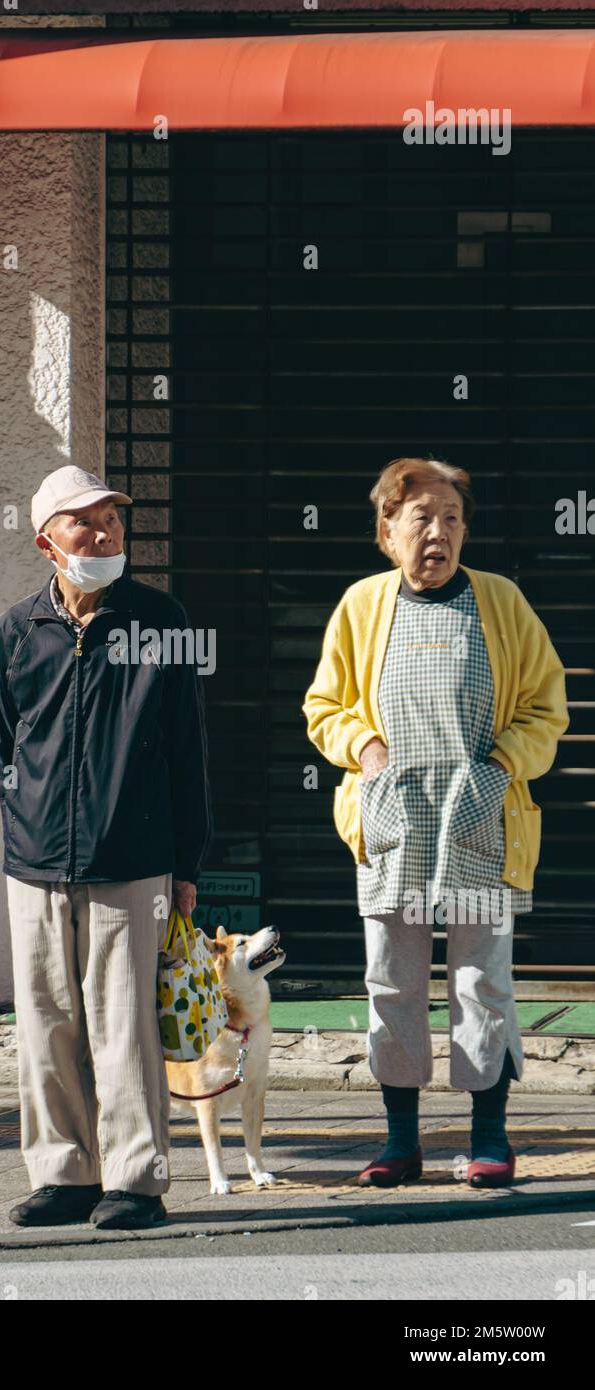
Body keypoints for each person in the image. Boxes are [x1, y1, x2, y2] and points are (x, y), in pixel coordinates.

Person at [302, 457, 568, 1189]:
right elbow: (322, 707)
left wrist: (502, 765)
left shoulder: (502, 602)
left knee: (482, 983)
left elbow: (548, 707)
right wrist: (366, 747)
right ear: (386, 529)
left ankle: (489, 1138)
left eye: (452, 518)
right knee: (393, 984)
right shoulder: (361, 605)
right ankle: (400, 1143)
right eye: (421, 517)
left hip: (482, 826)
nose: (439, 533)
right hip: (393, 826)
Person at [0, 465, 212, 1230]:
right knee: (46, 1025)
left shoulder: (161, 621)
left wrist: (186, 864)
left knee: (125, 1026)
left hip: (134, 858)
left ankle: (137, 1180)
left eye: (113, 520)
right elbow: (5, 746)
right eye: (84, 521)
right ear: (47, 540)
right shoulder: (17, 632)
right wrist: (22, 828)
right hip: (37, 861)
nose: (104, 532)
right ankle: (64, 1174)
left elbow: (188, 752)